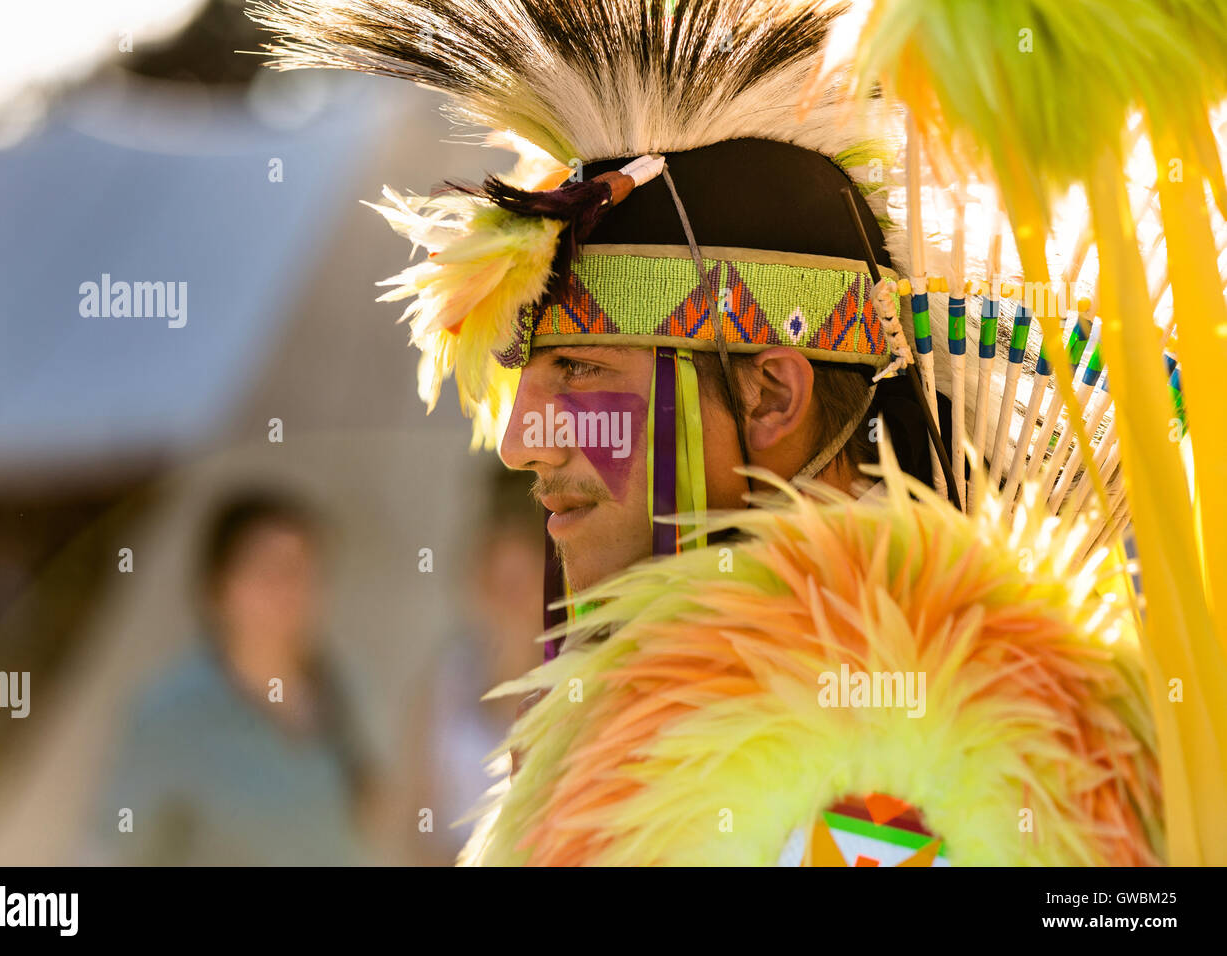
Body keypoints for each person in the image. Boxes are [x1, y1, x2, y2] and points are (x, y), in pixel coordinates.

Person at [248, 0, 1227, 866]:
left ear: (769, 394)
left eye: (581, 370)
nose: (520, 442)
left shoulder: (879, 768)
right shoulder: (734, 723)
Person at [96, 492, 375, 865]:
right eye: (269, 571)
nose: (288, 591)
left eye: (302, 571)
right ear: (220, 587)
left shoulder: (343, 692)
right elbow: (117, 851)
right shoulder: (171, 714)